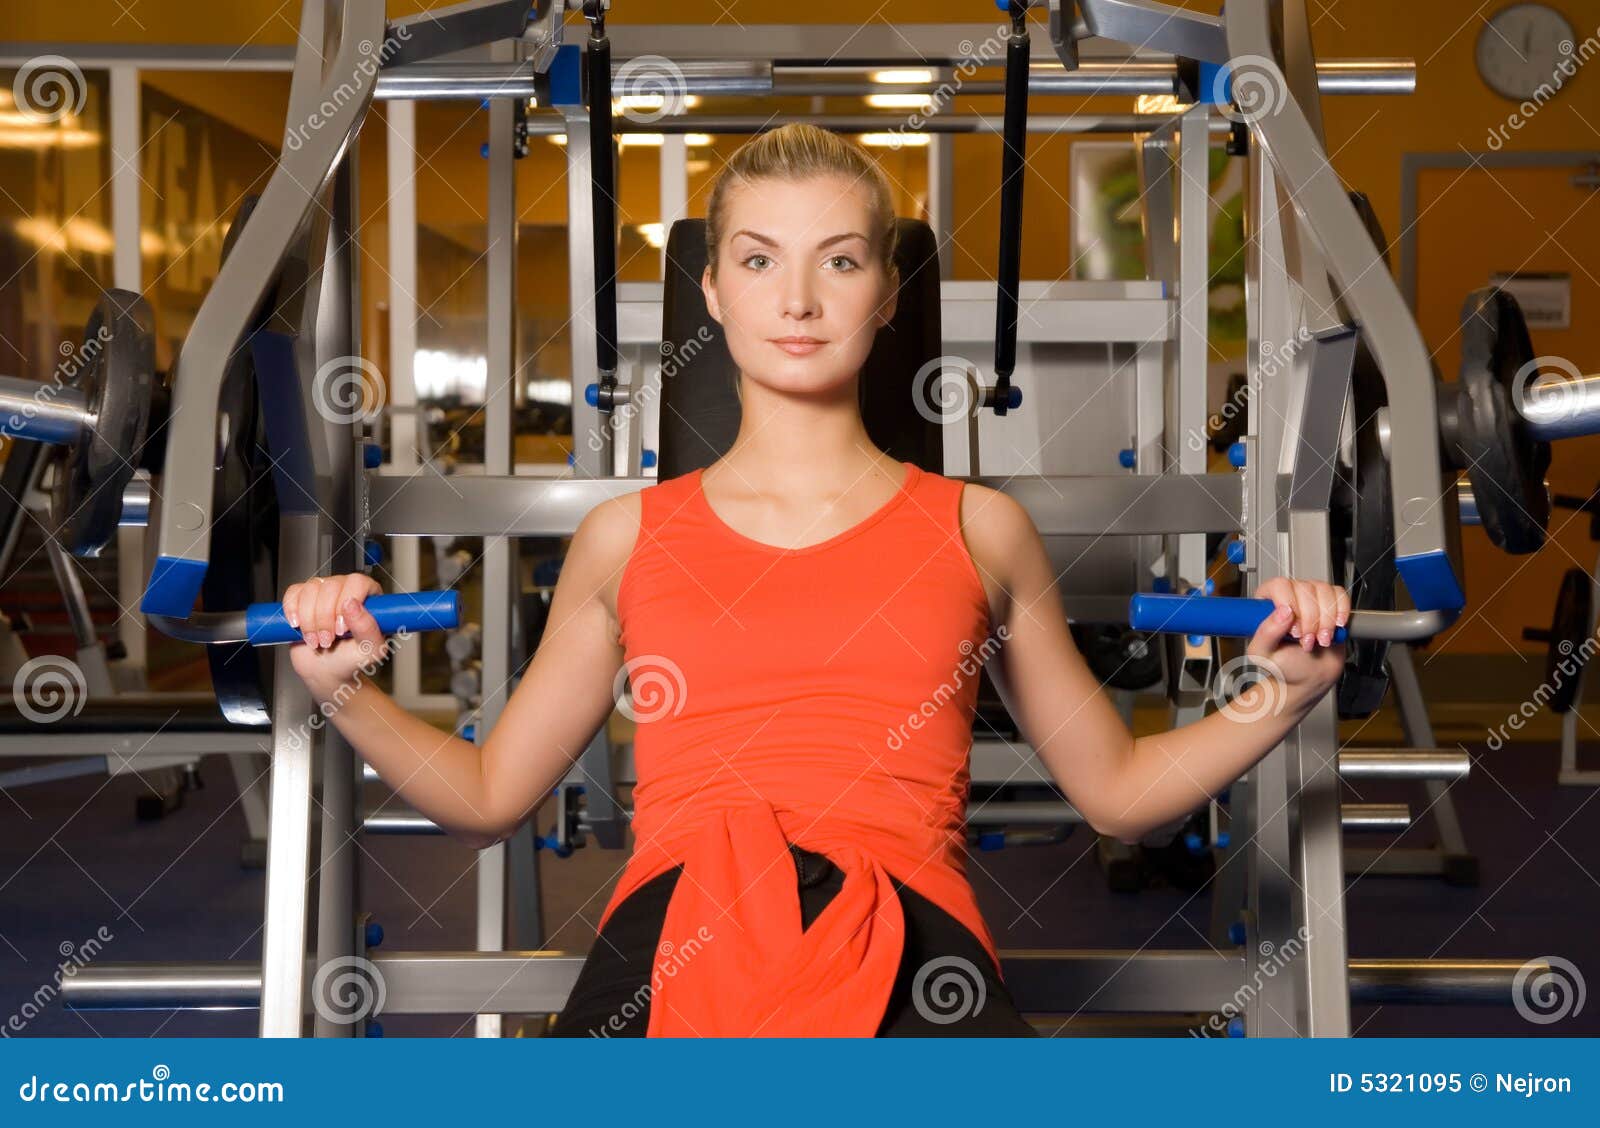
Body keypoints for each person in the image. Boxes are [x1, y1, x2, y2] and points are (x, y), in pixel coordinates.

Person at [281, 123, 1349, 1038]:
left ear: (888, 293)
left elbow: (1118, 796)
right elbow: (486, 797)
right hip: (676, 925)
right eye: (757, 260)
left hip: (912, 936)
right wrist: (342, 687)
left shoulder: (981, 529)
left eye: (839, 262)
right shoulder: (625, 537)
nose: (796, 299)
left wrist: (1280, 693)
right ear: (710, 289)